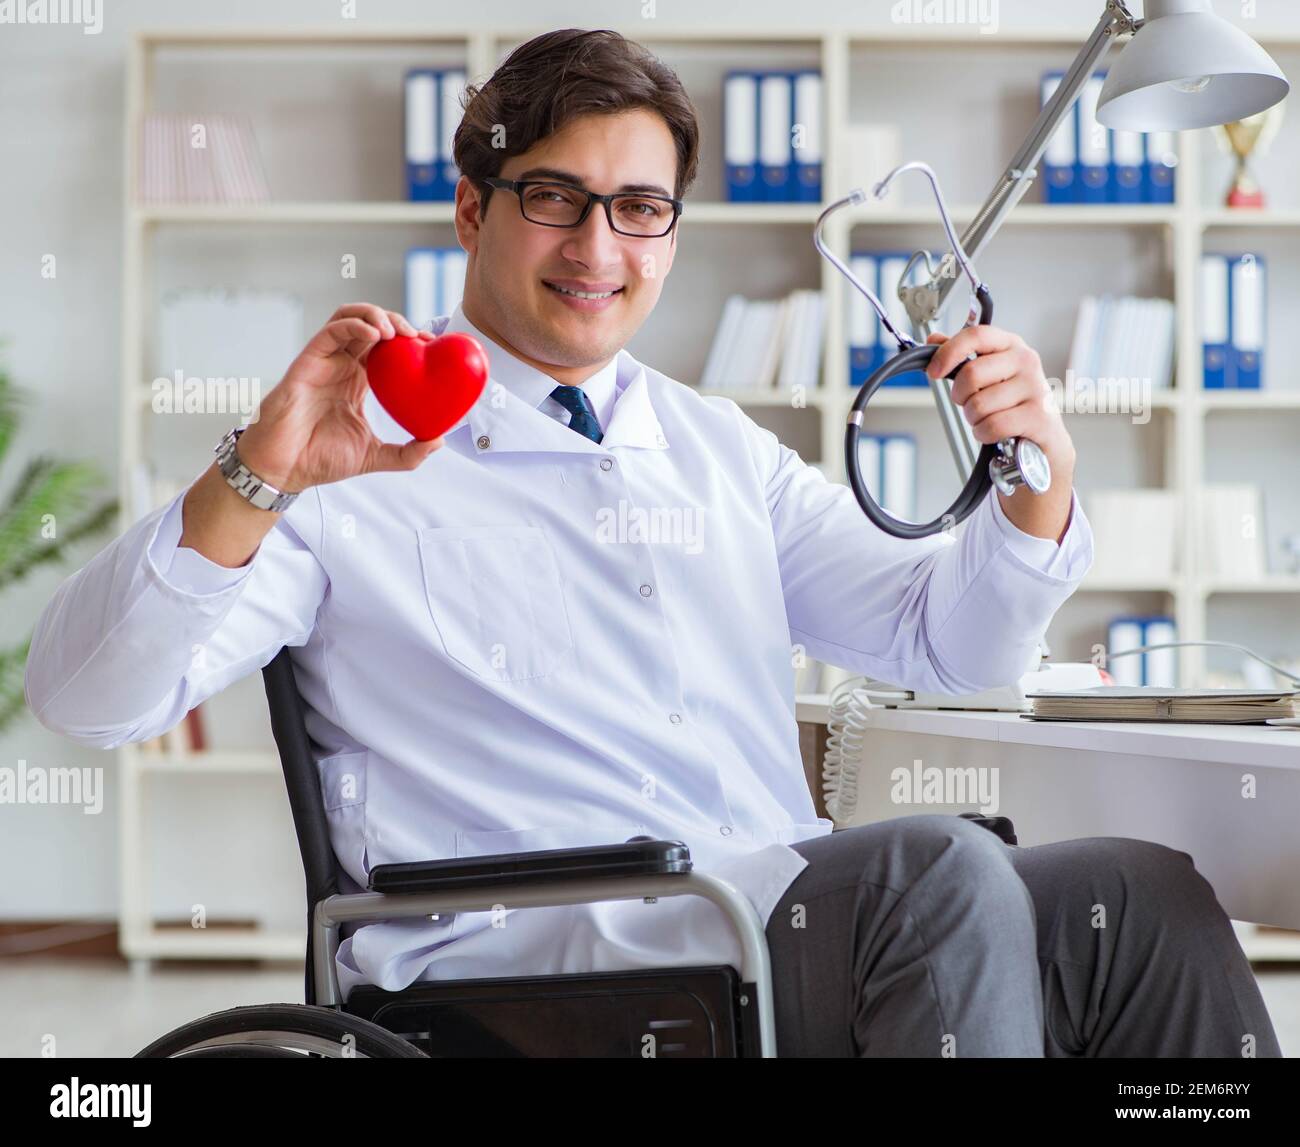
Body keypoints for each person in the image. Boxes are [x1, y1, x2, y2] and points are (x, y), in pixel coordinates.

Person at [25, 27, 1278, 1057]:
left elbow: (946, 642)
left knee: (1143, 898)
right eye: (555, 199)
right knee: (930, 879)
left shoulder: (713, 446)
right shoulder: (343, 458)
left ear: (672, 233)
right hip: (526, 965)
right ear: (471, 208)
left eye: (639, 209)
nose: (597, 248)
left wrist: (1033, 473)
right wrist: (257, 476)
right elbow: (84, 699)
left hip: (763, 914)